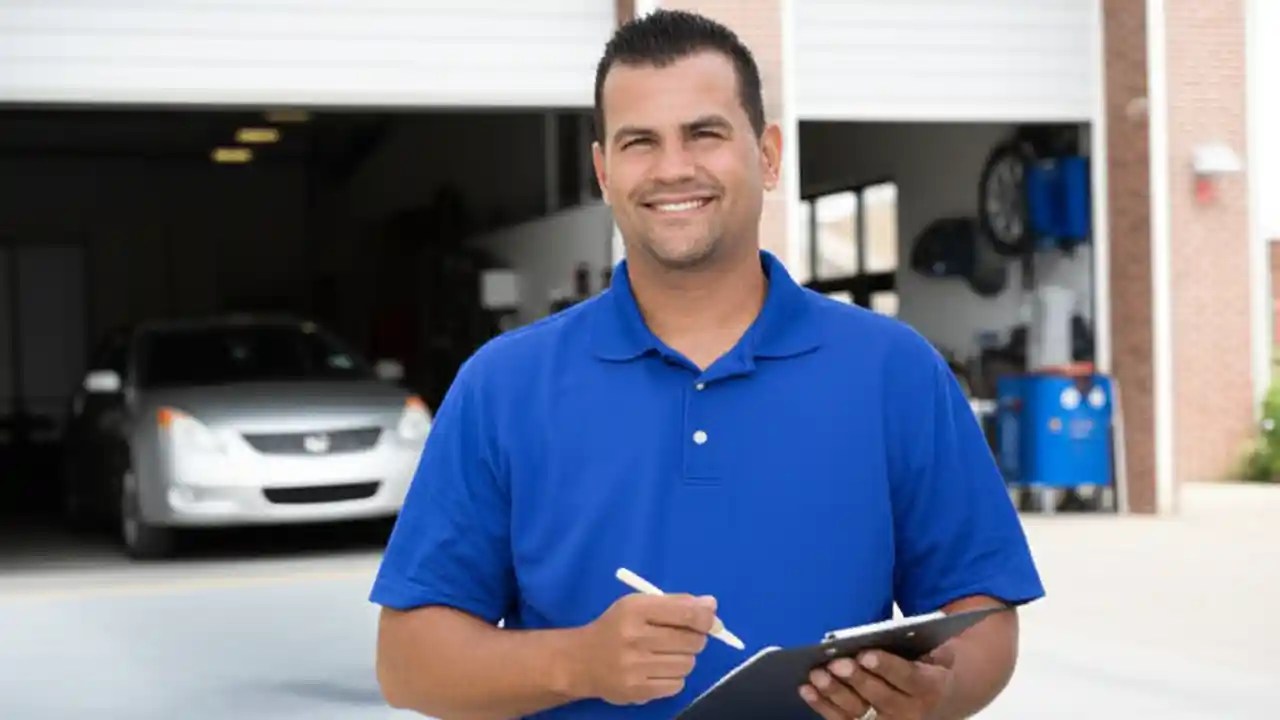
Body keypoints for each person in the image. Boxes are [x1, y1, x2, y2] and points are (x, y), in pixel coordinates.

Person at [370, 9, 1044, 720]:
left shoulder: (894, 371)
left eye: (705, 133)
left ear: (769, 154)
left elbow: (983, 609)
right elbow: (409, 662)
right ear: (604, 170)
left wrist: (938, 694)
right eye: (639, 142)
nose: (673, 169)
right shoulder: (502, 387)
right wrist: (580, 662)